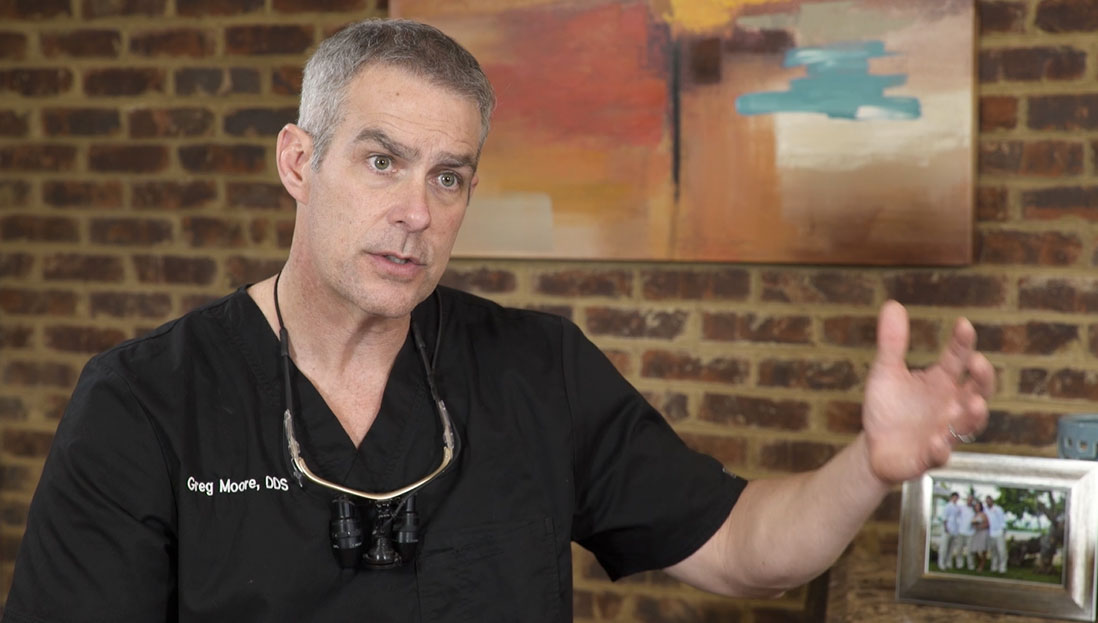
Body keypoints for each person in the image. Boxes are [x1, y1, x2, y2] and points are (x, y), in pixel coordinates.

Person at [2, 18, 994, 623]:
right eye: (382, 161)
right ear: (299, 162)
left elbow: (743, 549)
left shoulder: (535, 367)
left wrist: (870, 464)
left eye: (449, 177)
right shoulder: (143, 402)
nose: (416, 211)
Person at [938, 492, 962, 570]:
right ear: (952, 497)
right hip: (947, 530)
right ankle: (941, 563)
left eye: (957, 498)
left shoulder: (957, 507)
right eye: (954, 497)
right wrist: (946, 528)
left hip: (954, 531)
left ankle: (948, 563)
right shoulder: (948, 506)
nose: (956, 499)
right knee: (944, 548)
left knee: (950, 548)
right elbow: (944, 518)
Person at [985, 495, 1008, 574]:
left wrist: (1003, 531)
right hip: (991, 533)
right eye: (987, 501)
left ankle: (1002, 567)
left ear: (992, 501)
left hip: (999, 533)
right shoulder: (985, 510)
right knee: (993, 552)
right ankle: (994, 567)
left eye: (989, 500)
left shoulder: (998, 509)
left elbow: (1002, 520)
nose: (988, 502)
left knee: (1001, 551)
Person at [953, 494, 977, 570]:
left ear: (973, 500)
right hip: (961, 532)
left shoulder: (974, 509)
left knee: (969, 550)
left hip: (971, 533)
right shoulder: (961, 508)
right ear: (967, 500)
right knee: (959, 549)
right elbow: (956, 516)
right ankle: (959, 564)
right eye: (968, 499)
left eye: (971, 500)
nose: (969, 501)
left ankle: (971, 566)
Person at [969, 501, 990, 572]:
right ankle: (980, 563)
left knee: (983, 549)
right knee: (974, 550)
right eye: (976, 506)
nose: (977, 507)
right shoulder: (975, 515)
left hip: (983, 533)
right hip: (976, 533)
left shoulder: (984, 514)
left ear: (981, 507)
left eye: (978, 506)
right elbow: (973, 524)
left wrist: (981, 527)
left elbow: (987, 524)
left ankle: (981, 566)